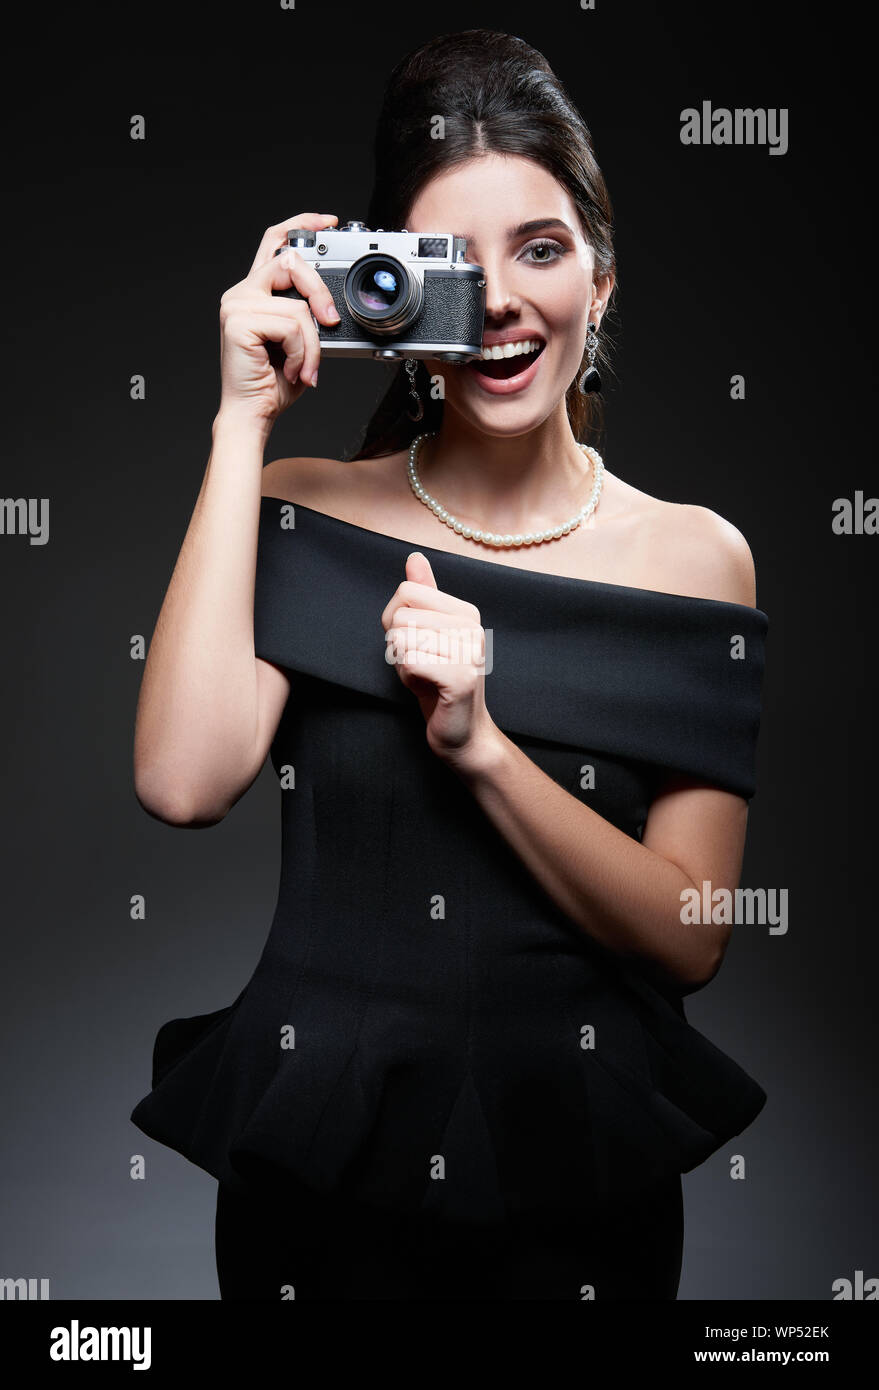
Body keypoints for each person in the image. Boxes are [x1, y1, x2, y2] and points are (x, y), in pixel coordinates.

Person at [130, 29, 768, 1301]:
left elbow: (694, 933)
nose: (501, 305)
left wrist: (481, 748)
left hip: (581, 1177)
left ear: (601, 272)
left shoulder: (697, 557)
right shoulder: (303, 507)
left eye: (539, 249)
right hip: (321, 1177)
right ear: (385, 286)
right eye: (449, 266)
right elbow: (183, 781)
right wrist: (240, 420)